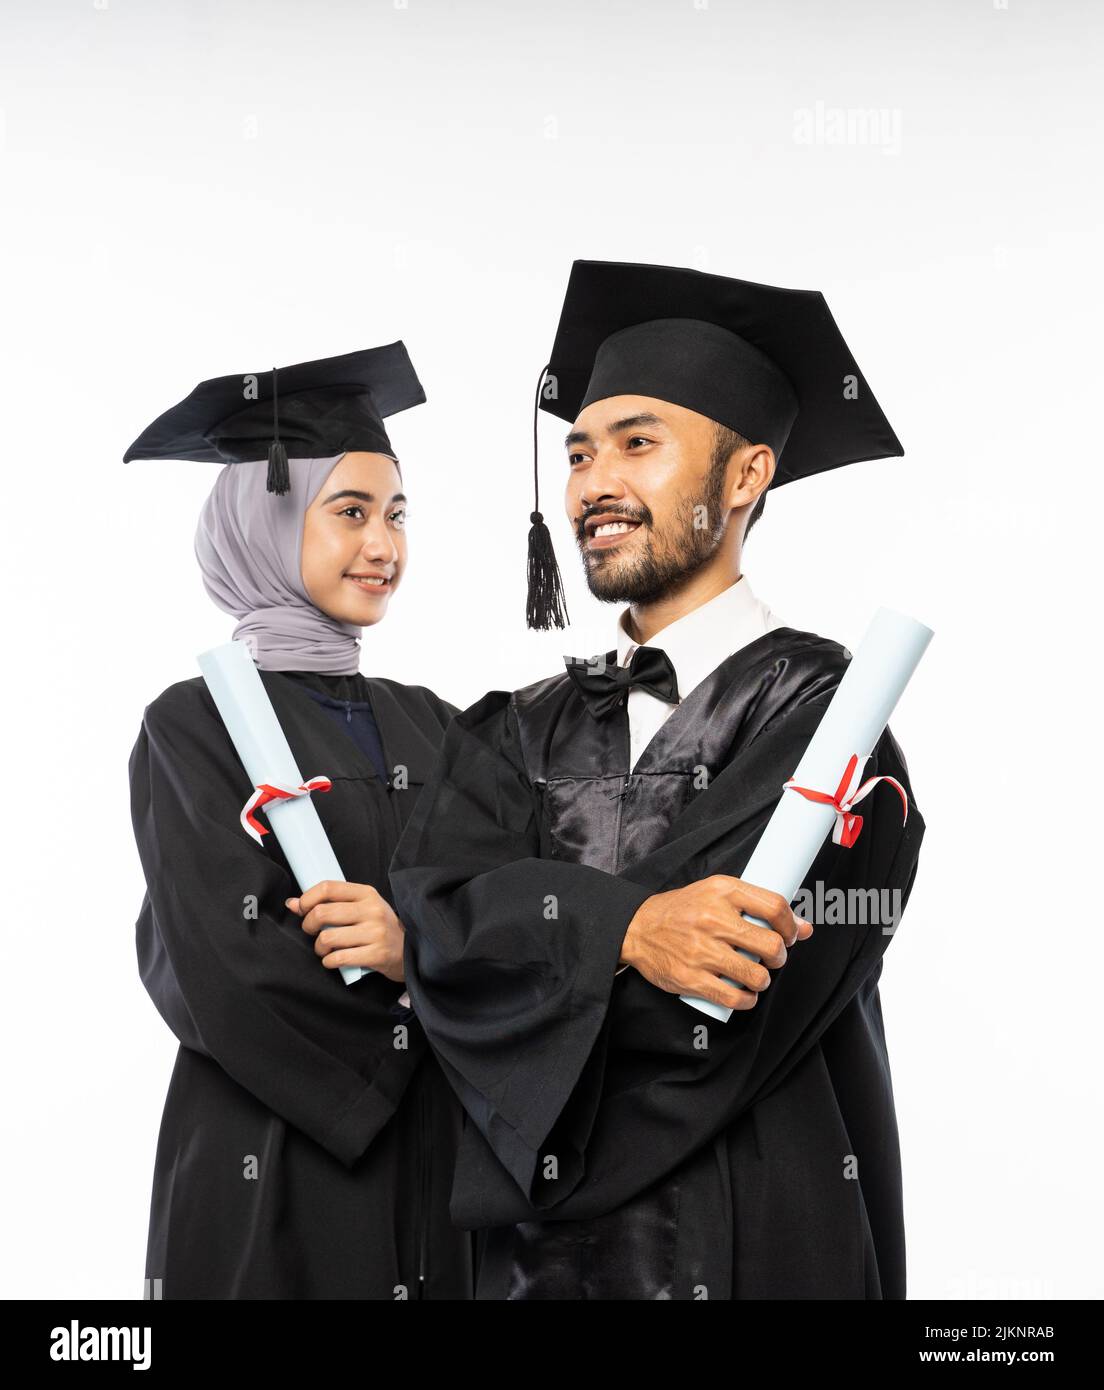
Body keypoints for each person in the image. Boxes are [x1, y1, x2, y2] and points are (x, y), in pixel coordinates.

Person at [385, 262, 927, 1300]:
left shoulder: (833, 728)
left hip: (765, 1246)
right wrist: (632, 935)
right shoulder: (515, 729)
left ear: (744, 476)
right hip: (523, 1276)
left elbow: (734, 1007)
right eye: (580, 451)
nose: (591, 483)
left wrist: (533, 969)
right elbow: (437, 927)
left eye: (638, 443)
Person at [125, 344, 473, 1299]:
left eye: (398, 515)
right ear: (265, 524)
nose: (385, 547)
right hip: (271, 1156)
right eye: (350, 512)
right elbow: (216, 960)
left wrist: (424, 950)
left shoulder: (439, 725)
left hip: (445, 1167)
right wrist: (415, 1048)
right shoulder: (194, 724)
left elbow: (506, 910)